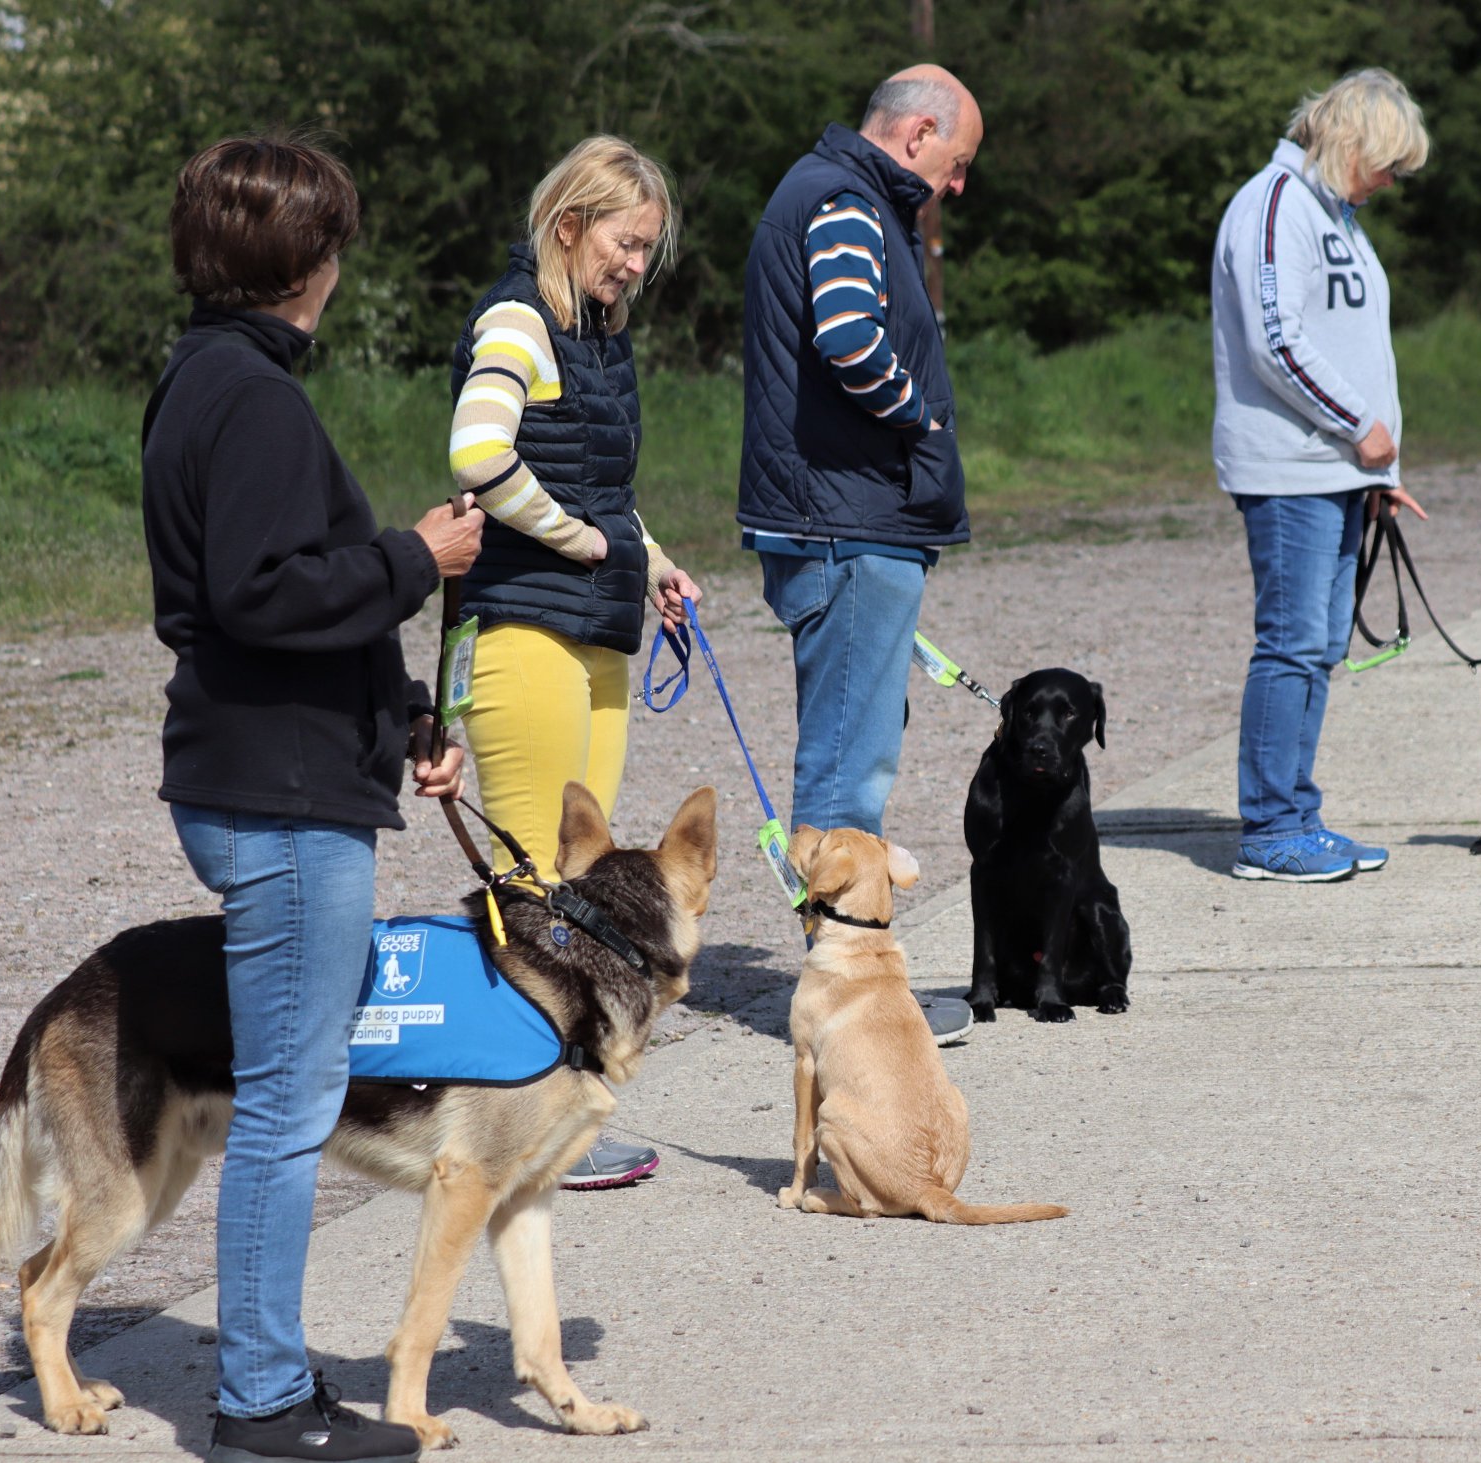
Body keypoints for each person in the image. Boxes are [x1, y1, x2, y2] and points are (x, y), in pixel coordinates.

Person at [143, 134, 484, 1462]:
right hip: (278, 799)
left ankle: (270, 1373)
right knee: (288, 1110)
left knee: (286, 1097)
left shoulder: (202, 377)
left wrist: (402, 716)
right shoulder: (255, 398)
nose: (340, 265)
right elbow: (263, 592)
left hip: (267, 765)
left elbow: (276, 596)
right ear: (303, 262)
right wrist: (417, 555)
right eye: (332, 243)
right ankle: (261, 1401)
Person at [446, 135, 699, 1188]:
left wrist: (651, 562)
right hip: (524, 633)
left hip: (594, 632)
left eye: (646, 249)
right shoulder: (518, 320)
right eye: (624, 244)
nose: (635, 265)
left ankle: (559, 1115)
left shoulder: (596, 335)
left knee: (581, 890)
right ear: (569, 225)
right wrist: (574, 538)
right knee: (532, 897)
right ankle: (519, 1124)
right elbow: (478, 452)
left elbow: (598, 485)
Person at [737, 66, 983, 1042]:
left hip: (841, 516)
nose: (956, 184)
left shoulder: (837, 193)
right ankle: (850, 1005)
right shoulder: (844, 200)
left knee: (850, 757)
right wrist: (923, 417)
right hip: (847, 520)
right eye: (956, 161)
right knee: (849, 773)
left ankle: (845, 983)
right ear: (917, 132)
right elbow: (848, 336)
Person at [1210, 68, 1431, 883]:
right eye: (1388, 163)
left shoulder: (1334, 216)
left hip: (1336, 468)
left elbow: (1355, 347)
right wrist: (1361, 429)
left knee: (1320, 645)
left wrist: (1380, 467)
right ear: (1350, 141)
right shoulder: (1275, 205)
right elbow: (1277, 341)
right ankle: (1271, 829)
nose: (1392, 181)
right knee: (1293, 643)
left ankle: (1298, 815)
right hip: (1291, 467)